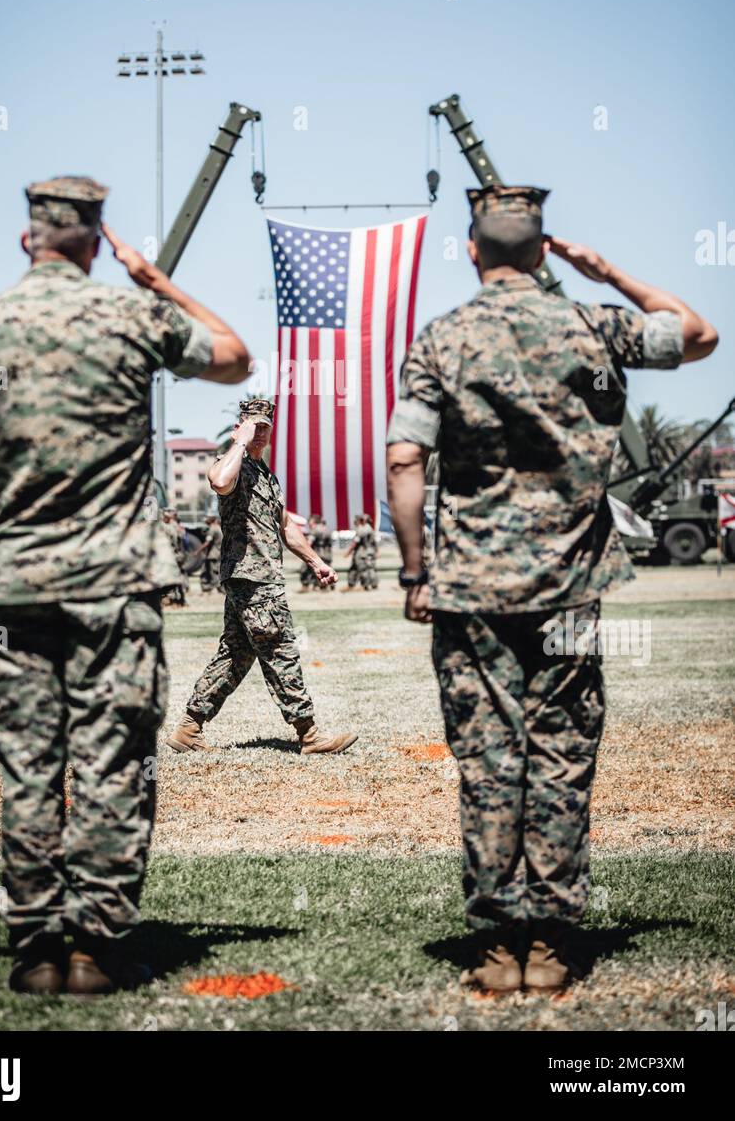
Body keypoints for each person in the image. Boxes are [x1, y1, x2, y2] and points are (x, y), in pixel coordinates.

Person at [0, 175, 250, 996]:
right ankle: (97, 947)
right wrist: (155, 280)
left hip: (12, 586)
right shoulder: (132, 317)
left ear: (27, 240)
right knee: (112, 762)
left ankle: (35, 948)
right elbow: (236, 358)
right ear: (98, 243)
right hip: (116, 587)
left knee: (30, 766)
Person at [386, 184, 718, 995]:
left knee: (488, 761)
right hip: (571, 590)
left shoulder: (443, 338)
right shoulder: (591, 324)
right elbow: (700, 334)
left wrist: (415, 572)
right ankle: (556, 946)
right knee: (562, 760)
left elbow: (403, 459)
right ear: (542, 251)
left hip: (471, 594)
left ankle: (500, 947)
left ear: (472, 251)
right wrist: (606, 271)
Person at [167, 398, 358, 755]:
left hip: (261, 577)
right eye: (254, 426)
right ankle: (309, 733)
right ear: (241, 426)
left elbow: (284, 525)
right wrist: (238, 441)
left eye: (265, 427)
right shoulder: (231, 465)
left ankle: (189, 728)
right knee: (281, 647)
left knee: (235, 655)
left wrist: (315, 561)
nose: (260, 433)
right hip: (251, 578)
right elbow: (220, 483)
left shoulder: (267, 476)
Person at [299, 514, 332, 590]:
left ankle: (305, 586)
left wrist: (303, 552)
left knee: (304, 569)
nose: (308, 523)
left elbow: (309, 543)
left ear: (313, 521)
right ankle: (323, 586)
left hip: (316, 554)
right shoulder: (327, 529)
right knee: (324, 570)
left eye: (309, 521)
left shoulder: (315, 530)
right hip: (327, 554)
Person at [198, 514, 222, 593]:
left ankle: (217, 588)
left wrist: (197, 551)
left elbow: (207, 542)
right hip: (218, 552)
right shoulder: (218, 527)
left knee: (213, 572)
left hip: (213, 554)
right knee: (217, 570)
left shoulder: (212, 529)